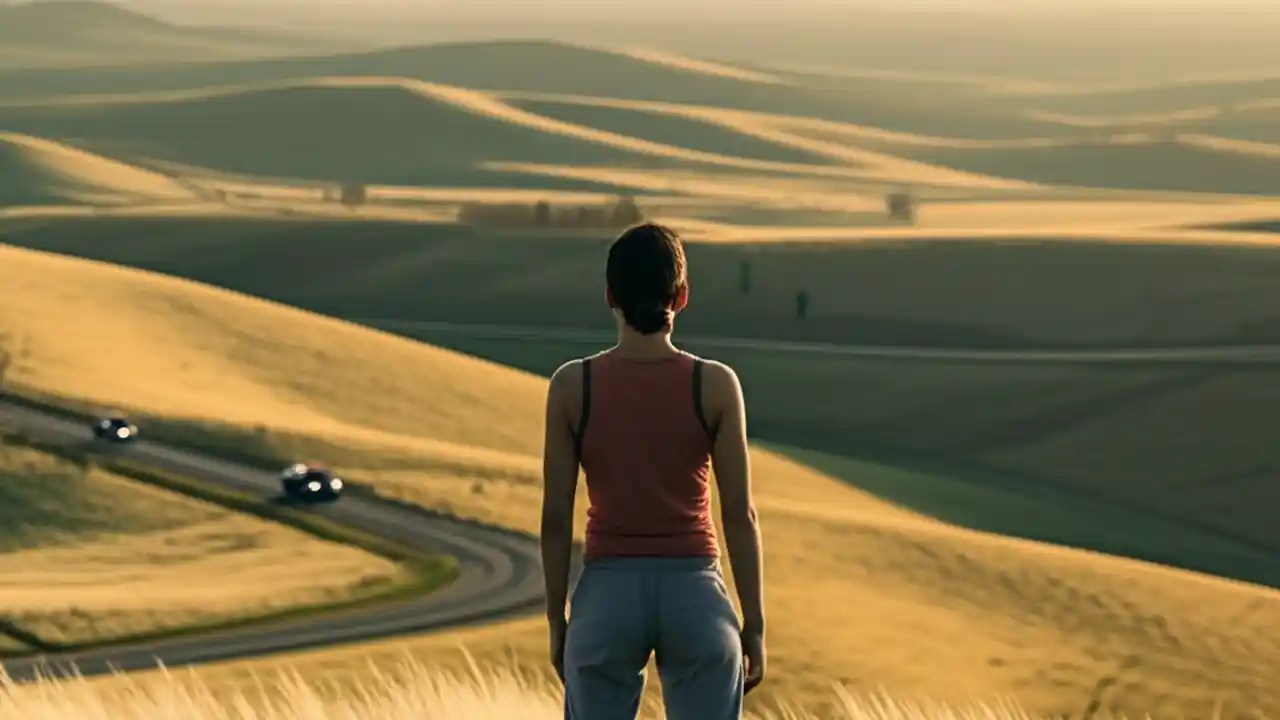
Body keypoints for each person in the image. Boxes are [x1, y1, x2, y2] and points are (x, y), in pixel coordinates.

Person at [541, 222, 766, 720]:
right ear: (681, 297)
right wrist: (753, 624)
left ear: (609, 296)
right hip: (696, 596)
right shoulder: (714, 385)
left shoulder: (573, 386)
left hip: (606, 598)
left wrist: (558, 619)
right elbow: (739, 515)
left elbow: (556, 516)